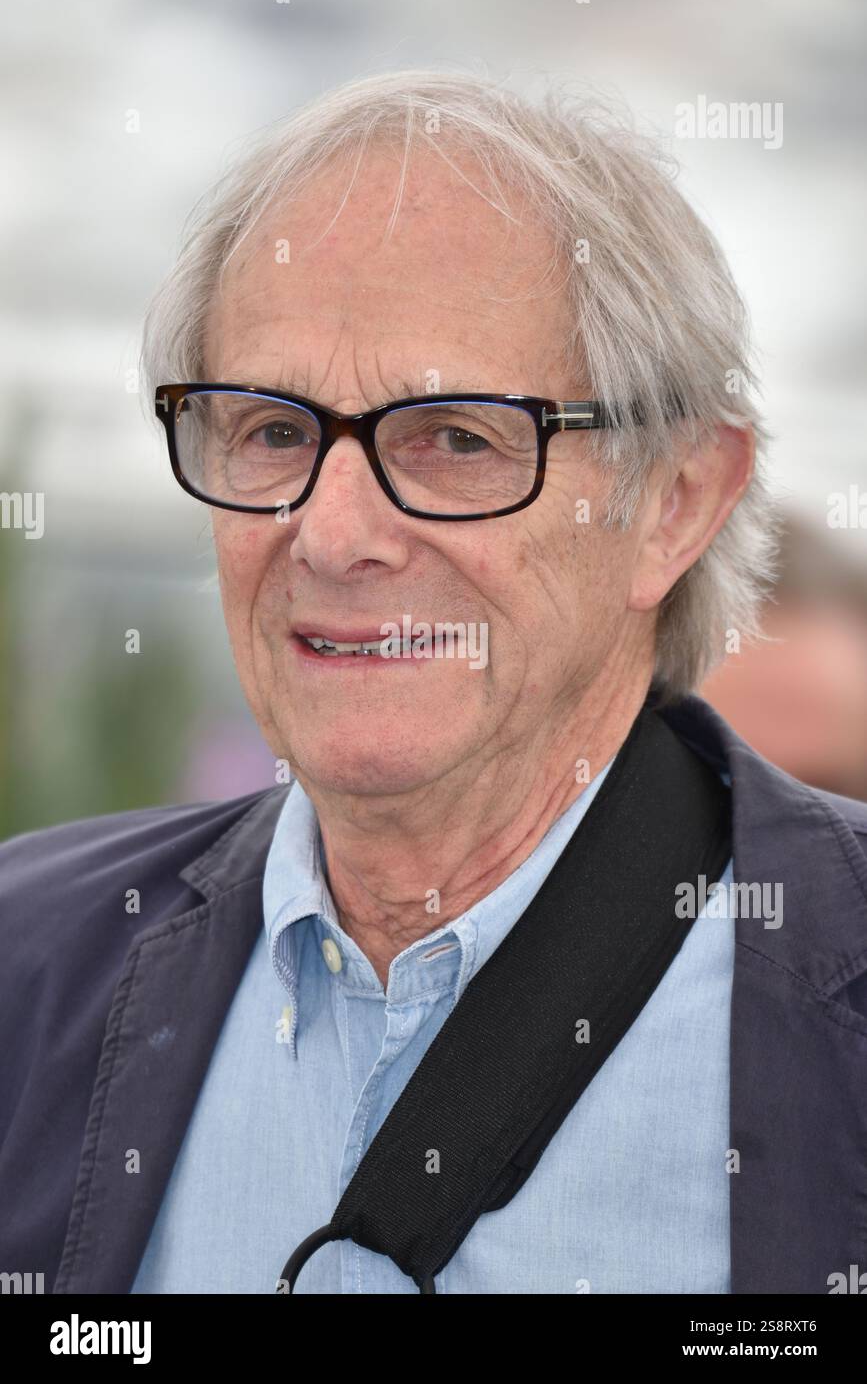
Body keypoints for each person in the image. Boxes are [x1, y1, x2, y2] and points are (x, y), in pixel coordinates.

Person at [2, 69, 866, 1296]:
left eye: (455, 437)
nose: (331, 529)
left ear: (676, 501)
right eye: (273, 429)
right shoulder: (27, 965)